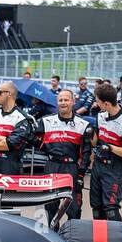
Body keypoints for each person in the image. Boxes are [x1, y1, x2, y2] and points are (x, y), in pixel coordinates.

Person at [37, 89, 92, 227]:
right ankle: (51, 237)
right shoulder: (45, 121)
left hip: (71, 169)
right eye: (60, 100)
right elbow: (35, 140)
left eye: (66, 100)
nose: (63, 103)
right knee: (50, 207)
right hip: (52, 166)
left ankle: (71, 236)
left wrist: (80, 174)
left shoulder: (83, 125)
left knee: (74, 209)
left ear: (73, 102)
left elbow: (86, 153)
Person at [88, 82, 122, 221]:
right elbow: (95, 141)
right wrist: (90, 134)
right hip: (98, 166)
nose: (95, 103)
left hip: (114, 169)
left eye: (97, 101)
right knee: (97, 209)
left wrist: (110, 147)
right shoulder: (100, 116)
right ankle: (100, 241)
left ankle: (120, 240)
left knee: (110, 210)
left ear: (106, 104)